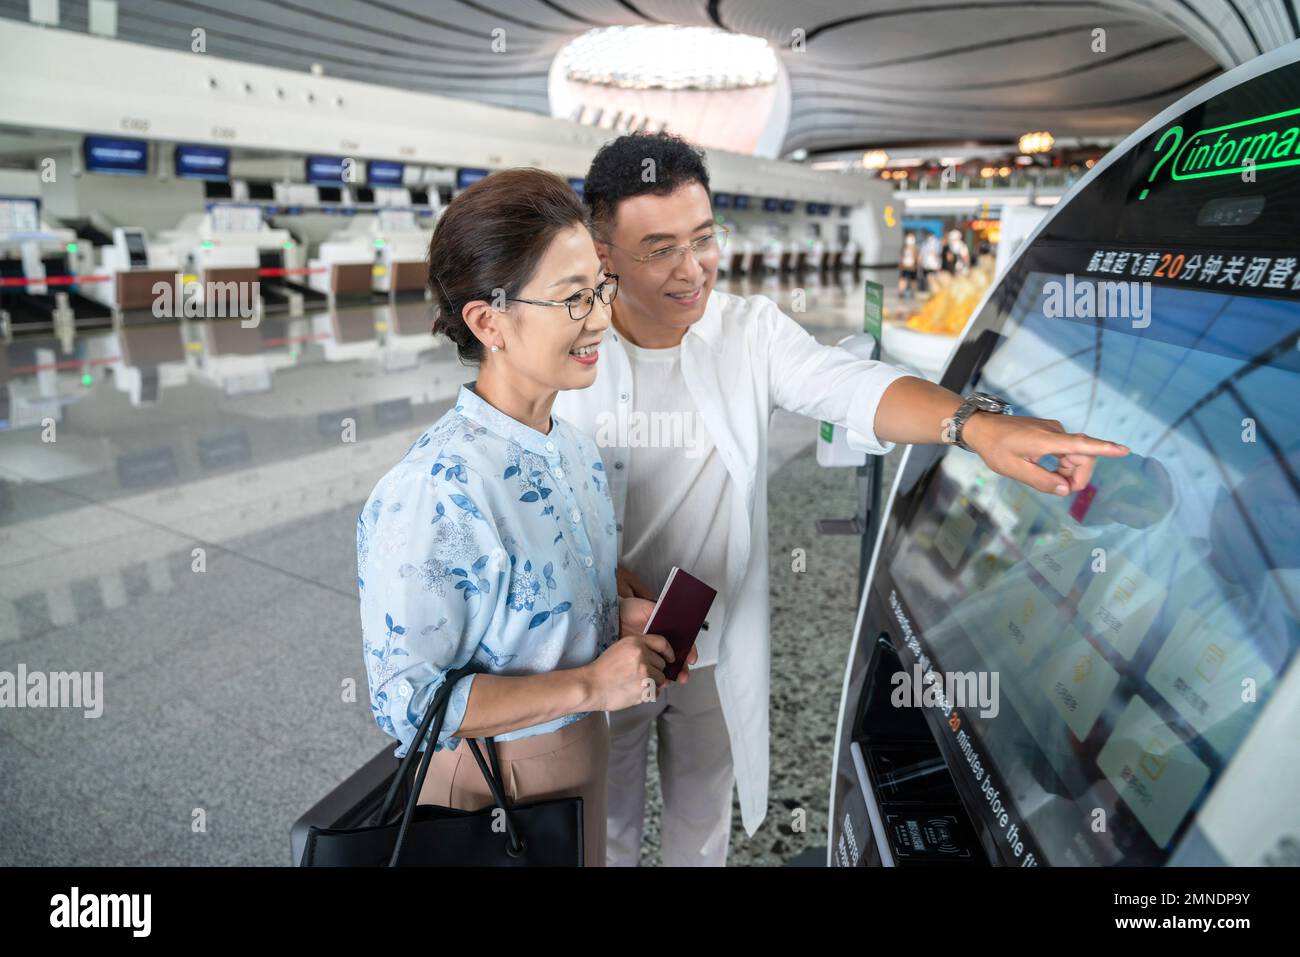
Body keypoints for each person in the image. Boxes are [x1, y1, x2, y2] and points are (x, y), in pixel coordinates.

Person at [553, 132, 1128, 866]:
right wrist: (596, 581)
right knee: (602, 827)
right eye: (658, 248)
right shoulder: (570, 343)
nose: (691, 268)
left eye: (703, 238)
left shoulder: (747, 331)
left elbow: (847, 385)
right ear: (603, 254)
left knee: (702, 819)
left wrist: (970, 424)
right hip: (602, 642)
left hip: (708, 637)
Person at [356, 168, 696, 867]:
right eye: (574, 298)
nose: (602, 316)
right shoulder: (437, 489)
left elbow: (541, 602)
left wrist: (619, 615)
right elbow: (409, 703)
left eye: (599, 287)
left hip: (579, 755)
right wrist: (589, 685)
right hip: (491, 783)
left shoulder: (571, 447)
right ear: (490, 321)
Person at [898, 232, 919, 300]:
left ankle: (914, 293)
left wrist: (917, 263)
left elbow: (917, 257)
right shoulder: (904, 247)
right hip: (905, 266)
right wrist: (901, 264)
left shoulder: (915, 248)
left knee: (913, 280)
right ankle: (901, 293)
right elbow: (901, 256)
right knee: (903, 279)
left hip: (913, 267)